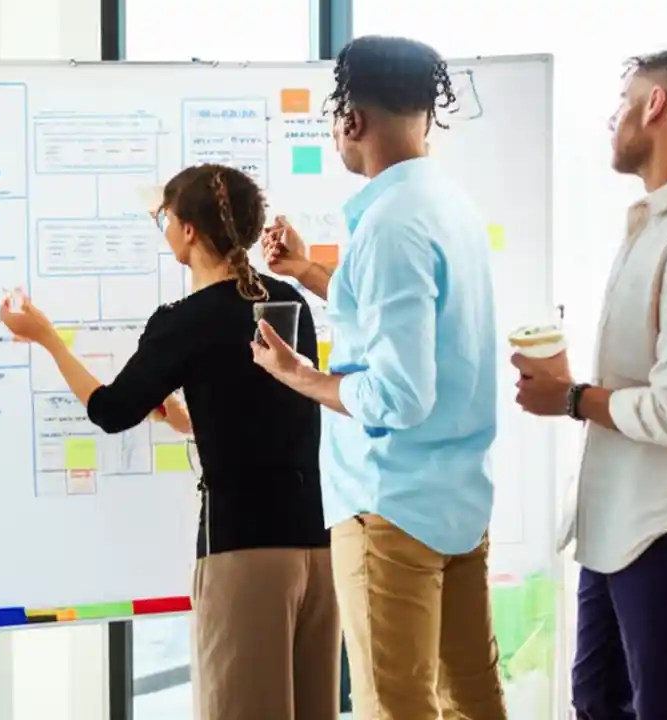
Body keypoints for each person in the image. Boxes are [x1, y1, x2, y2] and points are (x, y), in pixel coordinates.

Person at [0, 164, 338, 720]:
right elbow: (273, 411)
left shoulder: (185, 321)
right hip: (314, 548)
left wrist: (48, 339)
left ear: (187, 232)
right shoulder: (287, 300)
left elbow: (110, 410)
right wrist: (191, 419)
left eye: (164, 215)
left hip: (244, 552)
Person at [252, 35, 506, 719]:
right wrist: (306, 272)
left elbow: (398, 393)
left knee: (394, 706)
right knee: (471, 698)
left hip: (390, 504)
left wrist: (300, 375)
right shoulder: (447, 207)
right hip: (456, 500)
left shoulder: (389, 224)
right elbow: (401, 328)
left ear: (351, 121)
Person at [513, 47, 667, 719]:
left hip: (665, 529)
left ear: (656, 106)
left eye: (623, 102)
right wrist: (573, 389)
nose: (613, 120)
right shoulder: (656, 225)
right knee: (596, 702)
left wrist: (570, 398)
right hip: (618, 524)